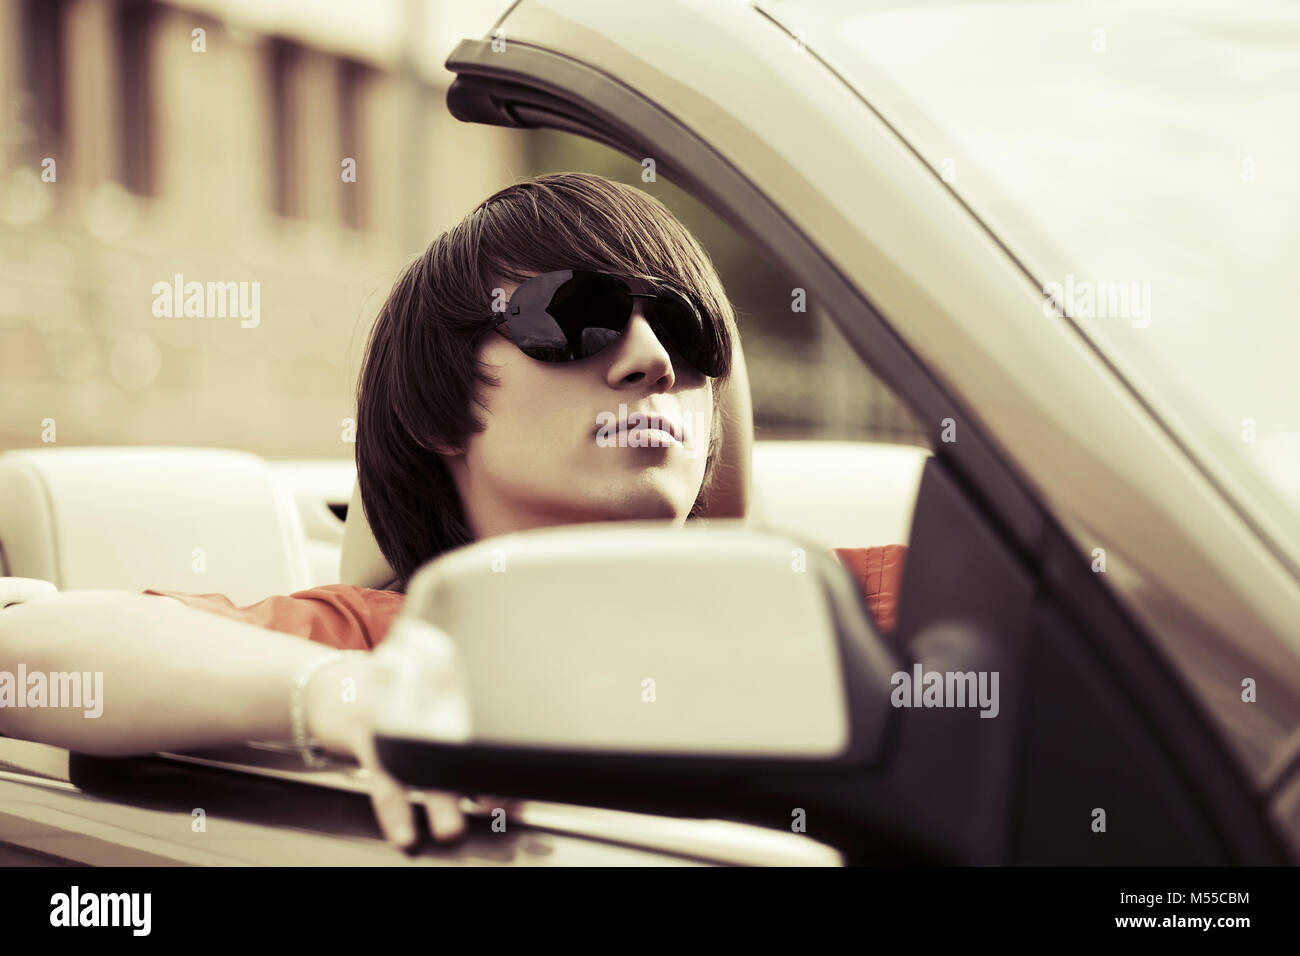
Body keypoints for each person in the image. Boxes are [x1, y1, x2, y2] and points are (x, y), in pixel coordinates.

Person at [0, 173, 905, 853]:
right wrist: (341, 697)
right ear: (435, 409)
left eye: (687, 328)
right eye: (575, 315)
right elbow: (20, 657)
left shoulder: (851, 607)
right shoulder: (391, 644)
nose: (652, 358)